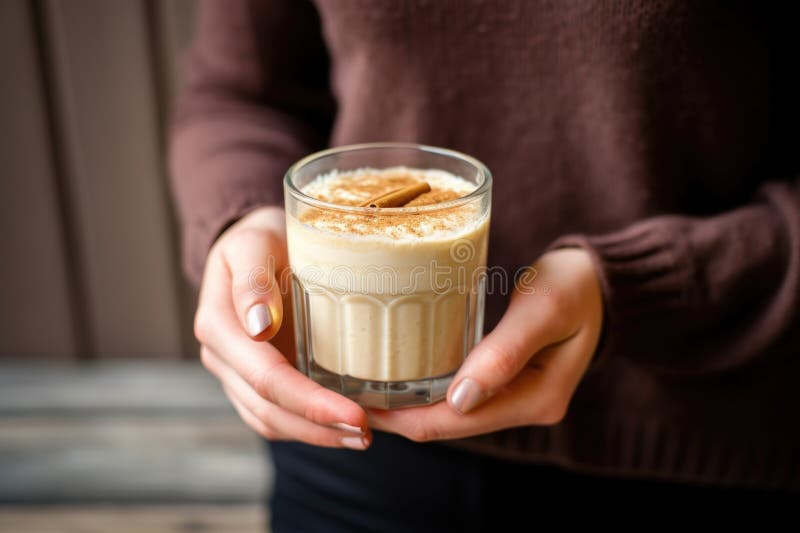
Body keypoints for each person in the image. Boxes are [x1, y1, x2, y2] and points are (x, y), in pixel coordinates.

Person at [171, 0, 799, 528]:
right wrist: (246, 218)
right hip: (351, 439)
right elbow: (241, 95)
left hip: (698, 431)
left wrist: (644, 287)